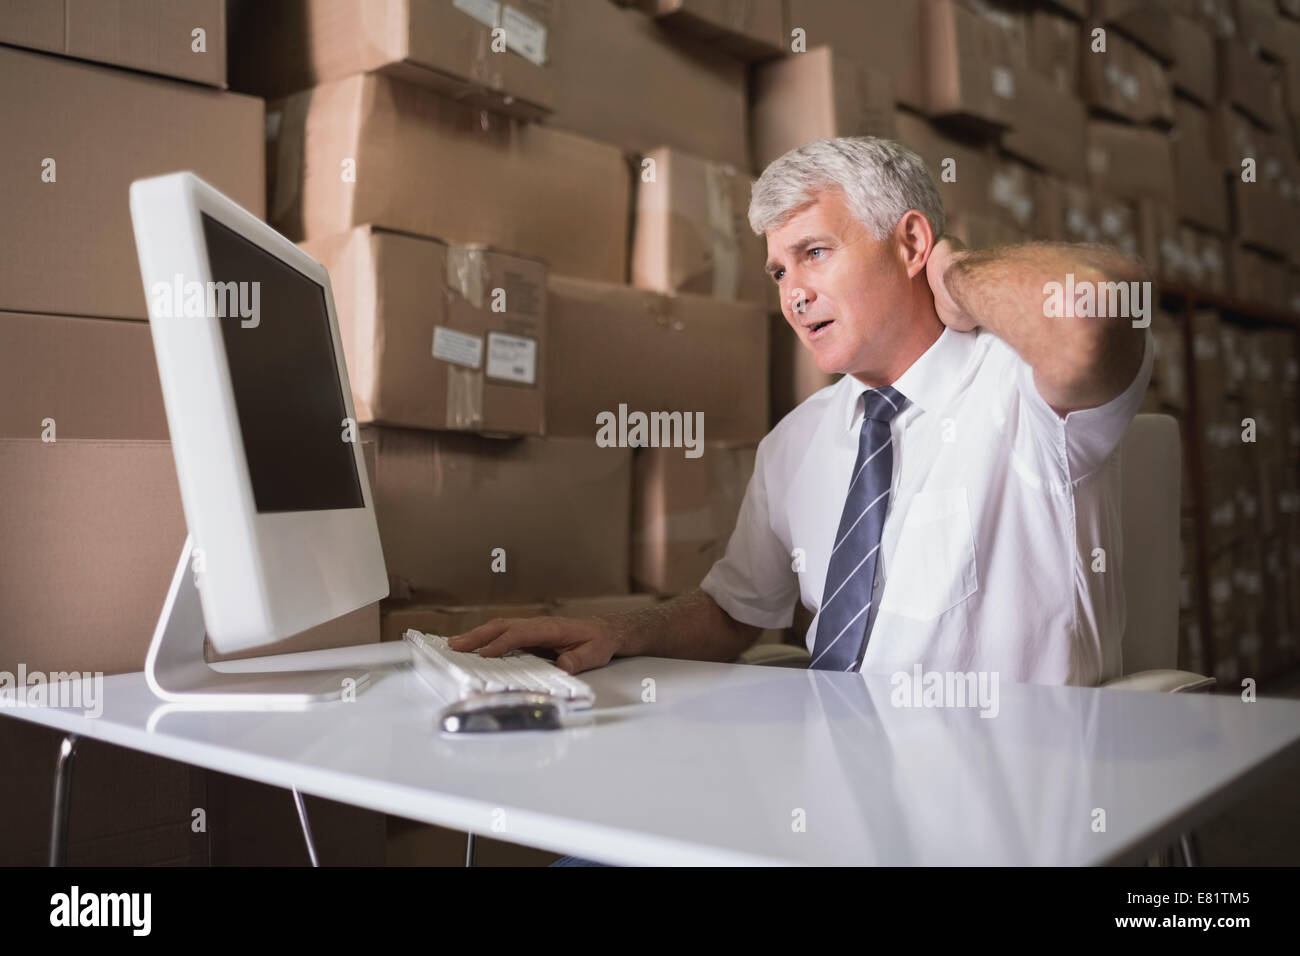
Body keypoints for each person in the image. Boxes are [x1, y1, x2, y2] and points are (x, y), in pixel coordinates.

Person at [452, 138, 1152, 864]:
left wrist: (955, 268)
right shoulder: (798, 440)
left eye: (815, 253)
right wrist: (617, 632)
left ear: (909, 241)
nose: (792, 291)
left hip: (983, 820)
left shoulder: (1024, 392)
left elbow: (1095, 312)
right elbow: (735, 610)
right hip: (820, 806)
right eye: (779, 270)